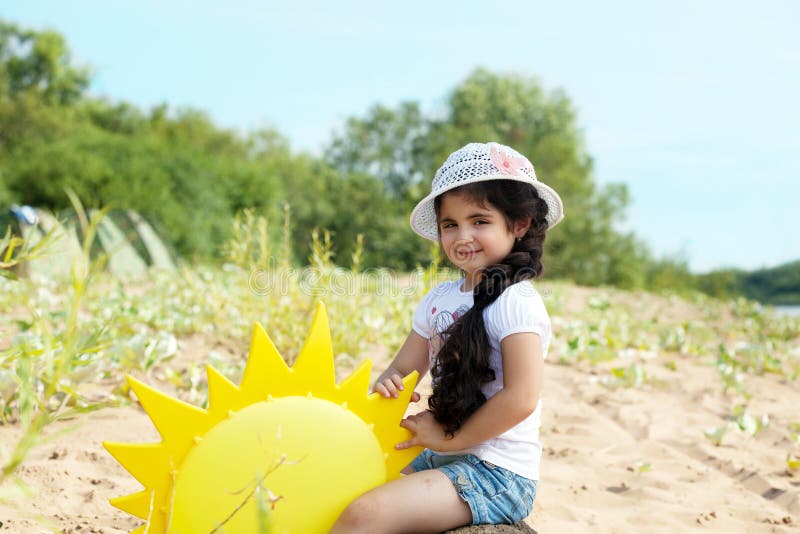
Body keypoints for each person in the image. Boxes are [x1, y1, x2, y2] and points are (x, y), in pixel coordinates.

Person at [331, 142, 564, 533]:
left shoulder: (516, 301)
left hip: (496, 471)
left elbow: (521, 398)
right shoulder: (439, 299)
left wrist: (450, 438)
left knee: (365, 516)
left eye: (480, 221)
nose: (463, 236)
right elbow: (405, 368)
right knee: (345, 487)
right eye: (450, 225)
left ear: (519, 224)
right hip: (441, 454)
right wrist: (390, 382)